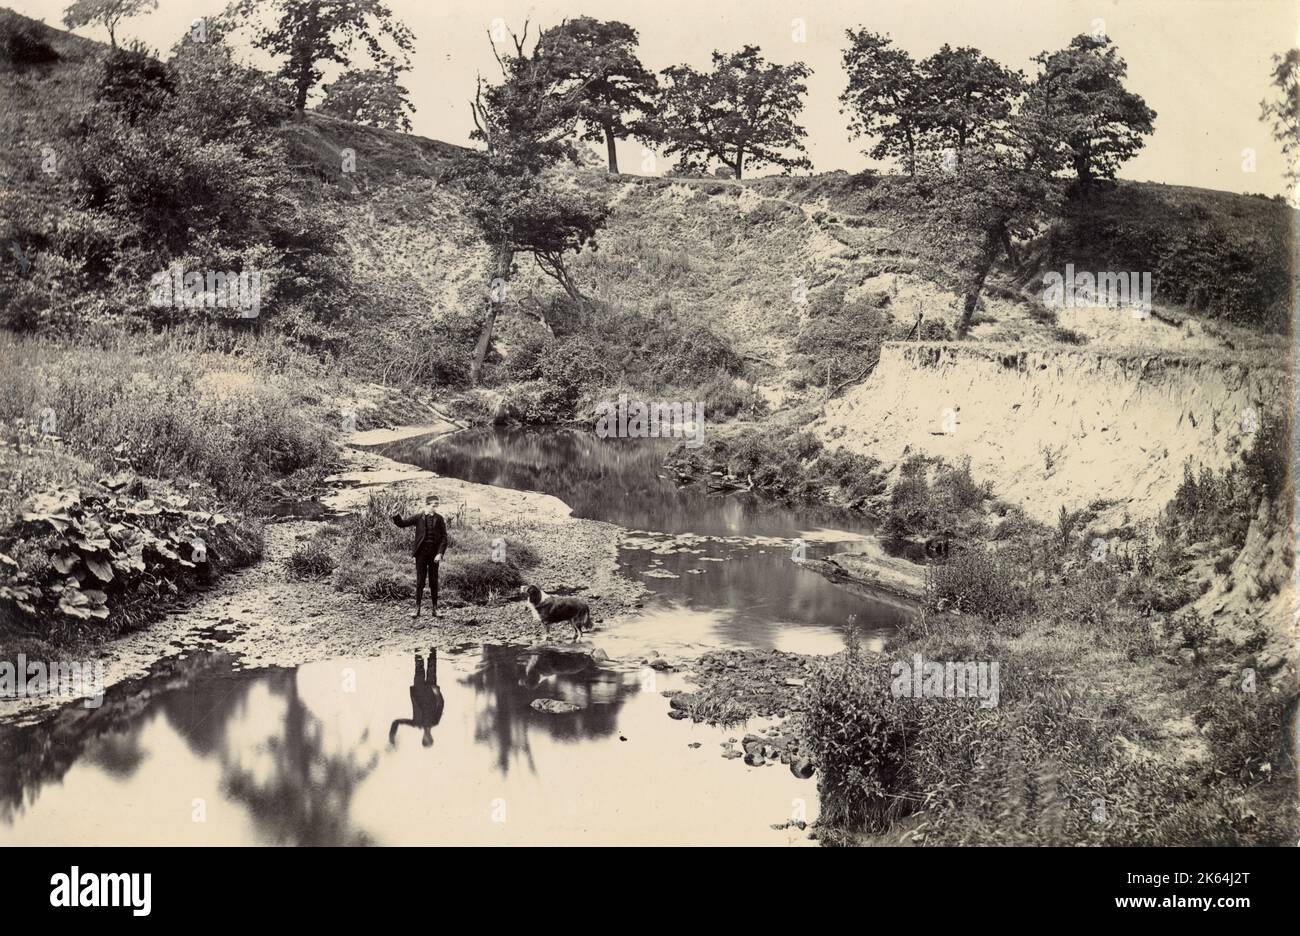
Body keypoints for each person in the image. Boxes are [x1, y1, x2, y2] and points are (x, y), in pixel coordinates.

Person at [391, 494, 447, 620]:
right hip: (421, 555)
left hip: (434, 556)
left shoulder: (440, 519)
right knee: (420, 581)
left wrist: (440, 553)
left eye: (437, 505)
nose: (435, 508)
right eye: (434, 505)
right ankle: (417, 609)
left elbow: (444, 538)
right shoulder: (418, 517)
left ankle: (435, 609)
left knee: (434, 581)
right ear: (427, 505)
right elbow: (403, 523)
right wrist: (395, 514)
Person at [389, 649, 445, 748]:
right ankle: (433, 643)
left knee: (419, 666)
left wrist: (392, 736)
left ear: (423, 738)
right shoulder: (435, 722)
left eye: (425, 739)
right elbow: (441, 704)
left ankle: (418, 645)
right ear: (432, 737)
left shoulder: (416, 724)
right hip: (431, 691)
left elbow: (396, 722)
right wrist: (437, 693)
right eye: (429, 738)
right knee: (432, 665)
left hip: (418, 691)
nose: (427, 736)